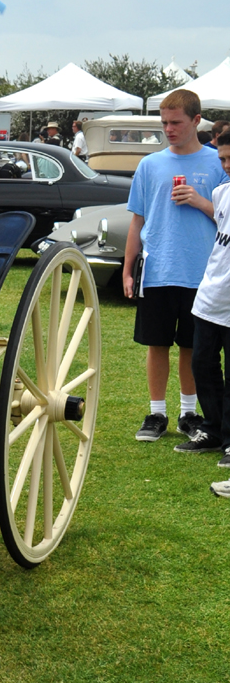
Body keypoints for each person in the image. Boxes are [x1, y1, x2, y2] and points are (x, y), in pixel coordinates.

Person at [124, 88, 228, 442]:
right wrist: (127, 269)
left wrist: (201, 202)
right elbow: (137, 221)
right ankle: (156, 413)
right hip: (158, 268)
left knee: (192, 346)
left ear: (197, 121)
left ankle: (188, 413)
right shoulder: (149, 164)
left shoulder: (219, 163)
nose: (168, 129)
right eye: (164, 123)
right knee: (157, 344)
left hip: (203, 273)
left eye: (176, 123)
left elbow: (227, 218)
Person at [178, 138, 230, 483]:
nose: (226, 165)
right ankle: (212, 430)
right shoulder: (223, 193)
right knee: (203, 365)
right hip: (212, 296)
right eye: (223, 158)